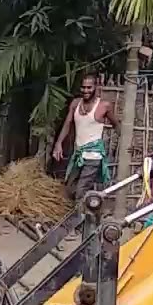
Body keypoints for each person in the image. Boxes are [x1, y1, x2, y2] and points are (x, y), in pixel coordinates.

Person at [53, 75, 119, 206]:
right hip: (78, 155)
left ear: (96, 87)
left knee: (81, 191)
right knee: (69, 189)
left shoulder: (104, 106)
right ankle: (84, 216)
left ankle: (81, 222)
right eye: (83, 87)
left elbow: (116, 125)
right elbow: (68, 123)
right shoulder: (76, 104)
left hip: (93, 157)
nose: (86, 90)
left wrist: (121, 143)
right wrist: (58, 144)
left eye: (89, 87)